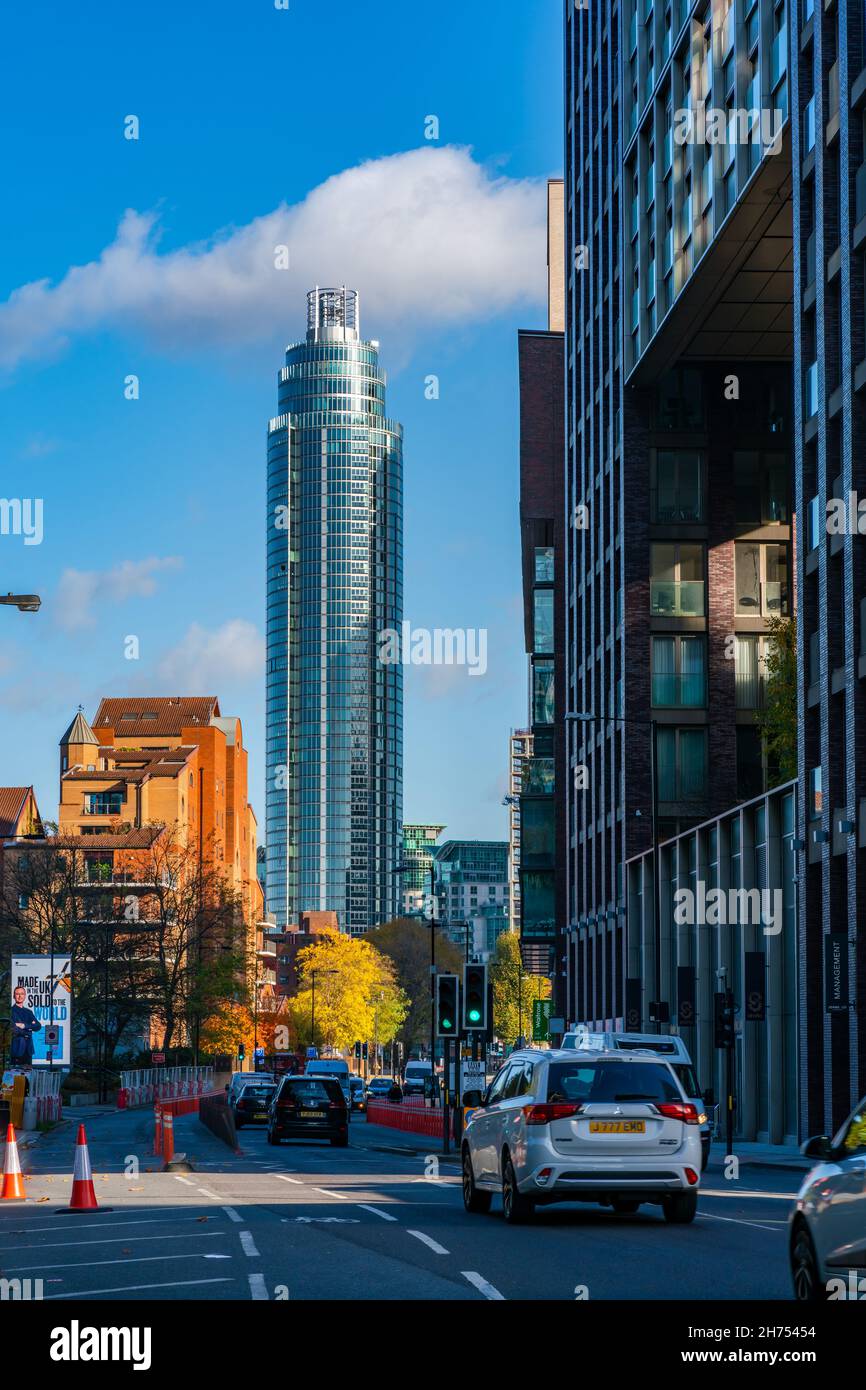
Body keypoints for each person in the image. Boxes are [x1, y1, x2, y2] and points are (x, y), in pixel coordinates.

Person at [10, 986, 41, 1065]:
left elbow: (38, 1026)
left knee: (28, 1074)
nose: (20, 996)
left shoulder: (28, 1012)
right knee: (16, 1074)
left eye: (22, 994)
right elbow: (13, 1029)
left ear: (25, 996)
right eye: (17, 994)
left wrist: (24, 1025)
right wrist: (29, 1031)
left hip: (28, 1049)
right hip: (17, 1048)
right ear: (14, 996)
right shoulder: (10, 1011)